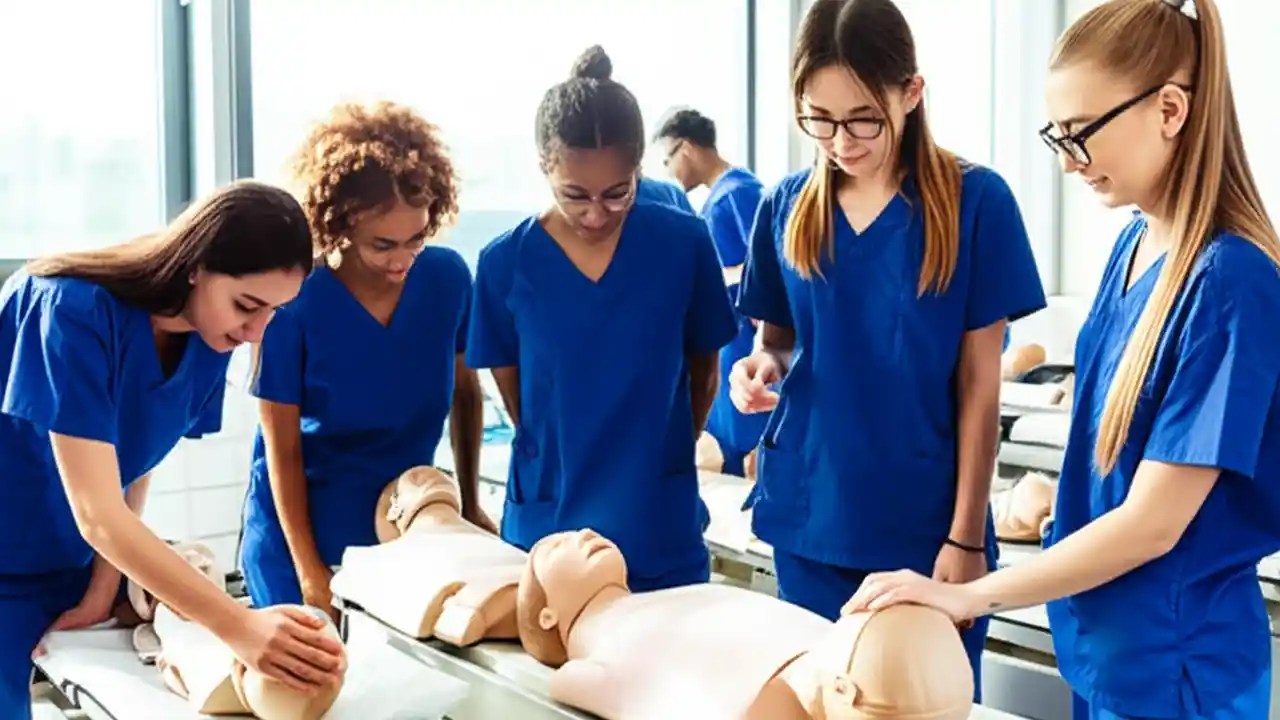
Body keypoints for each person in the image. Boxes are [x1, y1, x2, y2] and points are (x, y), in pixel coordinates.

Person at [845, 1, 1280, 718]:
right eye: (1058, 136)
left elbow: (1152, 523)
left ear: (1170, 109)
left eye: (1083, 134)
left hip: (1177, 669)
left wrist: (968, 593)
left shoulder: (1233, 281)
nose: (1069, 160)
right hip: (1104, 647)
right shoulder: (1134, 250)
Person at [729, 0, 1046, 699]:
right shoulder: (786, 206)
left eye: (862, 117)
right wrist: (759, 370)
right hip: (812, 516)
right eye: (818, 118)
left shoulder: (974, 203)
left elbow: (979, 388)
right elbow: (776, 342)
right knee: (815, 706)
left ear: (912, 92)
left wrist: (965, 538)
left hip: (926, 530)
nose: (840, 140)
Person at [0, 181, 345, 719]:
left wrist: (101, 587)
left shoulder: (208, 339)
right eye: (247, 306)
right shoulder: (70, 309)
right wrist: (240, 626)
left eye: (274, 313)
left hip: (67, 559)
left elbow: (135, 462)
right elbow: (97, 513)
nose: (256, 332)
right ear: (194, 266)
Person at [467, 45, 738, 593]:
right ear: (544, 166)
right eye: (575, 195)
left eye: (618, 193)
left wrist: (664, 448)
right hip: (550, 520)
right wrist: (562, 443)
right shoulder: (505, 263)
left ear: (639, 166)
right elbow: (519, 399)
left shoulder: (682, 244)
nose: (596, 213)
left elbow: (704, 365)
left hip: (655, 521)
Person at [240, 101, 492, 616]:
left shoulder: (447, 280)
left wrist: (469, 501)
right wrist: (310, 571)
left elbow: (466, 395)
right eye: (382, 244)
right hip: (299, 532)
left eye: (416, 239)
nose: (401, 259)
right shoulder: (294, 299)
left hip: (402, 520)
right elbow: (281, 450)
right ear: (343, 222)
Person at [655, 107, 769, 475]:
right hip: (728, 344)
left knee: (752, 454)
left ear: (685, 148)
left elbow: (768, 272)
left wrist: (707, 278)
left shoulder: (736, 194)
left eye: (668, 159)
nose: (668, 172)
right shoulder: (723, 195)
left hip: (746, 346)